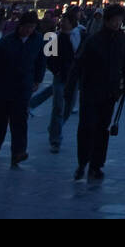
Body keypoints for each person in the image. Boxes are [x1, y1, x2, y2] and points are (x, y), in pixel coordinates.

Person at [72, 4, 125, 180]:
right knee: (86, 127)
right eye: (114, 20)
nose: (117, 23)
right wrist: (71, 88)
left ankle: (96, 165)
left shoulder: (122, 39)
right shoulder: (93, 40)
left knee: (102, 129)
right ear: (107, 20)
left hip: (110, 91)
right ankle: (82, 162)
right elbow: (78, 63)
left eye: (119, 20)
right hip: (90, 90)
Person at [0, 11, 46, 166]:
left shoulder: (38, 40)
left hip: (24, 87)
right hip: (4, 86)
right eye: (27, 27)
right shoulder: (7, 41)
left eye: (32, 27)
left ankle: (18, 152)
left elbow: (41, 61)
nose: (29, 30)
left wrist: (38, 80)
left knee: (20, 121)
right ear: (21, 25)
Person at [40, 12, 81, 154]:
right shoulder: (53, 37)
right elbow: (46, 57)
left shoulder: (79, 36)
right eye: (62, 20)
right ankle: (55, 139)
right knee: (58, 108)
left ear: (72, 23)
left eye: (66, 21)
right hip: (60, 77)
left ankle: (54, 128)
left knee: (69, 108)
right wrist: (55, 70)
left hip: (74, 78)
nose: (62, 23)